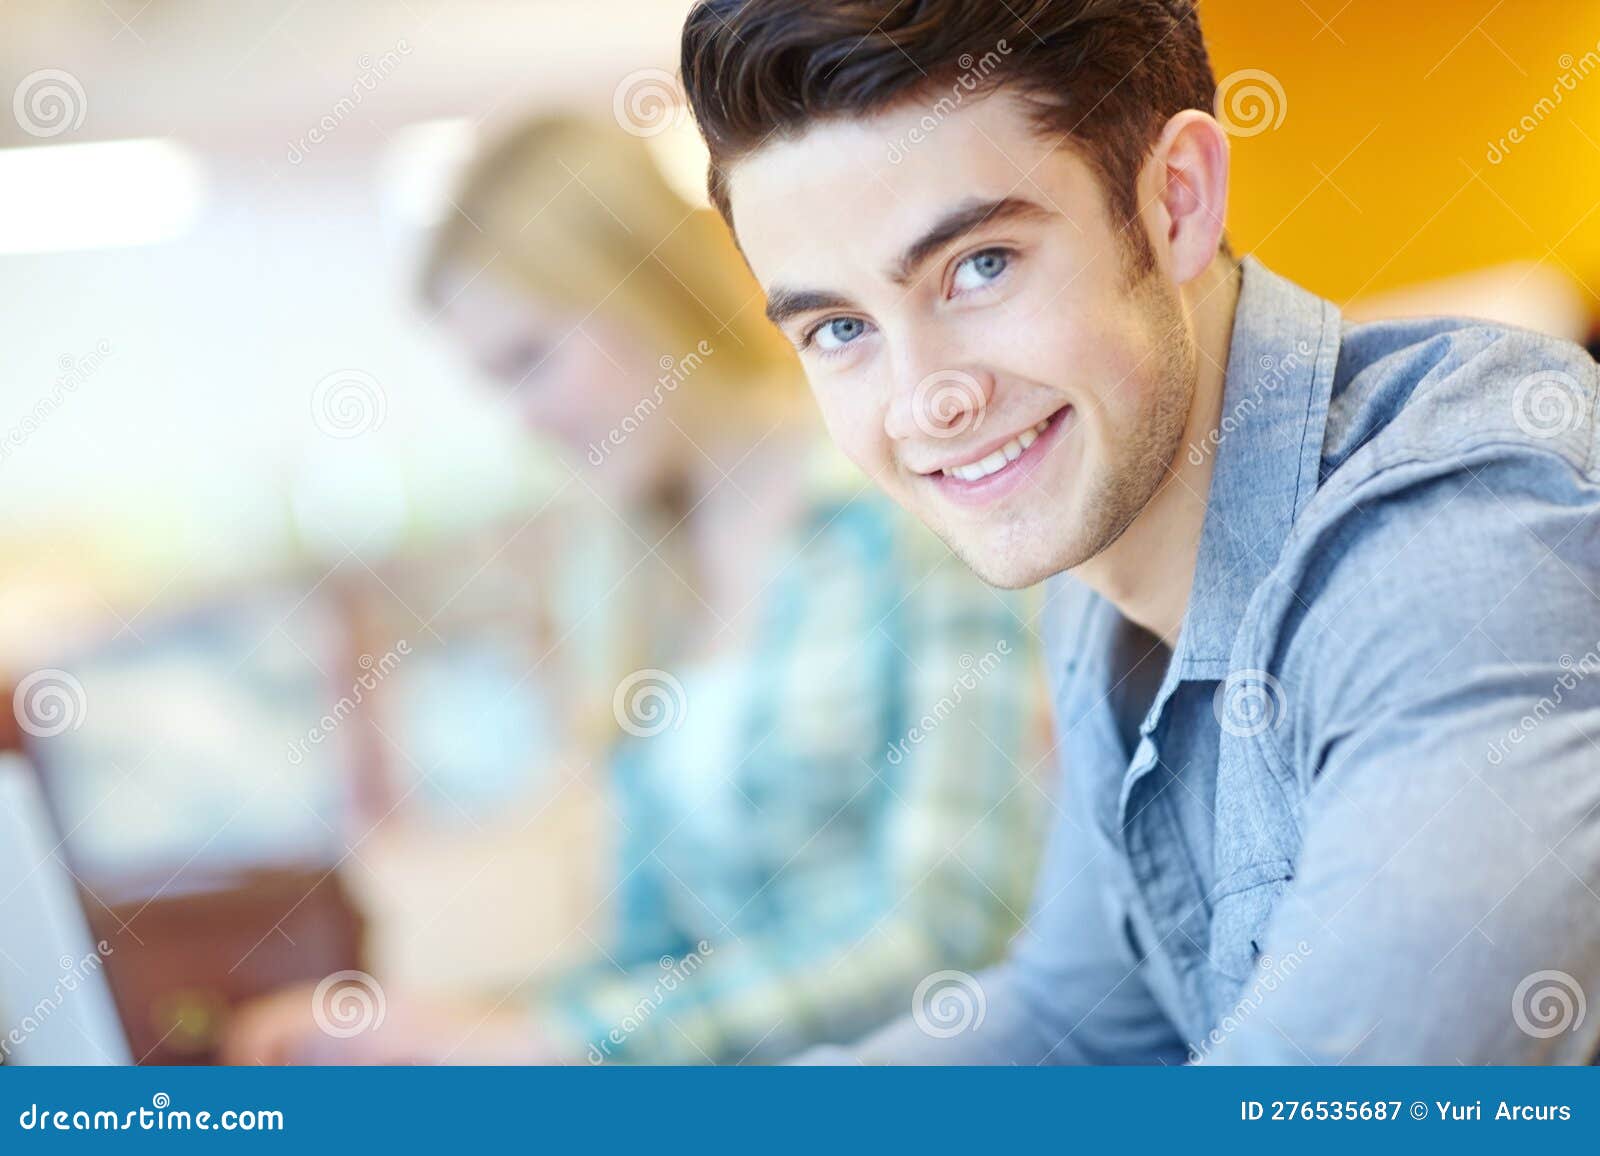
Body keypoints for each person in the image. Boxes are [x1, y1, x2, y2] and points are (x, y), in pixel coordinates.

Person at [676, 0, 1600, 1063]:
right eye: (839, 329)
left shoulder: (1457, 555)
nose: (923, 400)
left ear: (1174, 200)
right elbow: (1076, 1027)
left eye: (979, 265)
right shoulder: (1099, 569)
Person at [224, 116, 1043, 1064]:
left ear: (644, 287)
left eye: (531, 359)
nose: (525, 421)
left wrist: (547, 1043)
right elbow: (664, 959)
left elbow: (947, 932)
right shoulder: (634, 578)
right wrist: (435, 1033)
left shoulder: (909, 513)